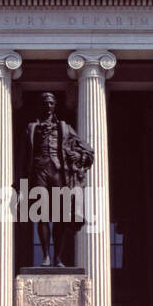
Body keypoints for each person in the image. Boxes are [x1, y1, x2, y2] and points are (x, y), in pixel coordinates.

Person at [18, 92, 93, 265]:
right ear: (40, 105)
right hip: (39, 170)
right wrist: (20, 184)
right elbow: (23, 157)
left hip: (59, 171)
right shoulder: (31, 128)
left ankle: (58, 257)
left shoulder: (64, 127)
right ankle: (45, 256)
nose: (48, 106)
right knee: (42, 213)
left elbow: (87, 151)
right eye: (45, 103)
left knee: (61, 216)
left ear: (55, 106)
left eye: (51, 103)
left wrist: (76, 155)